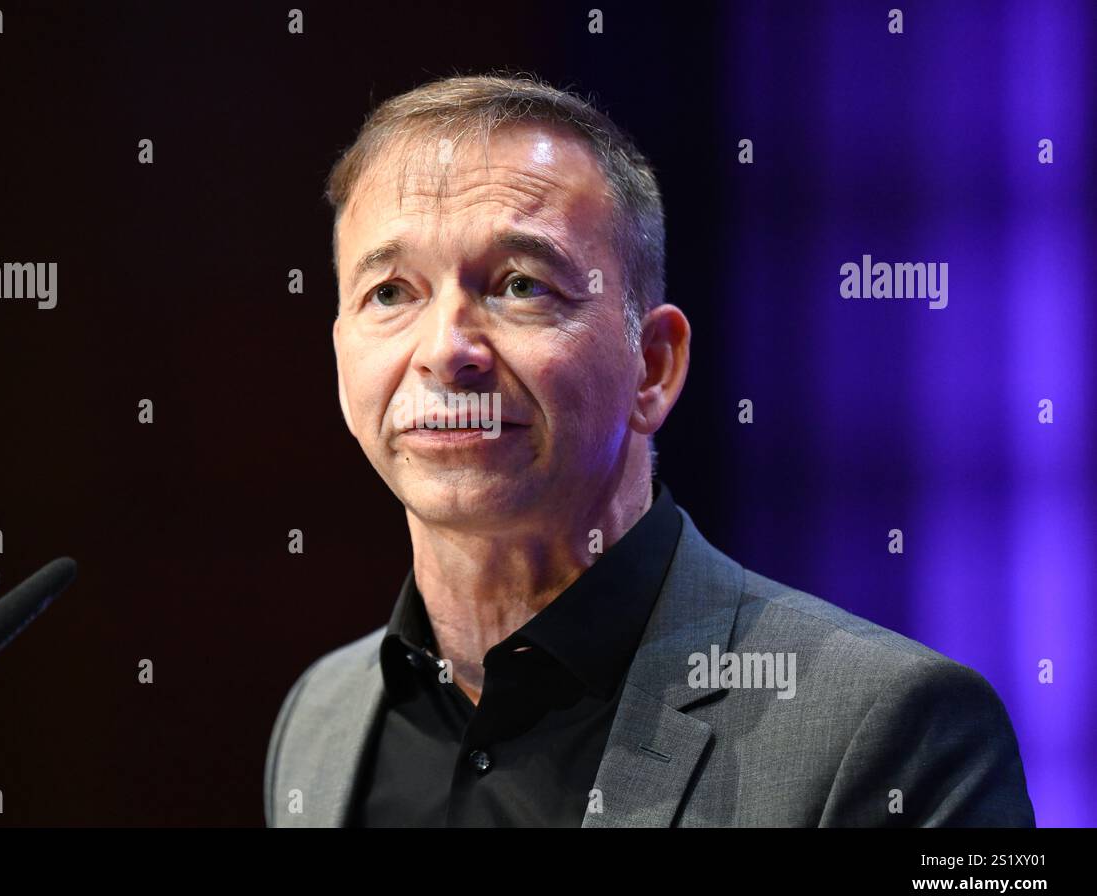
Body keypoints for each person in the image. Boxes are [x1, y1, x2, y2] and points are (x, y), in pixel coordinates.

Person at [264, 73, 1035, 827]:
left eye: (521, 285)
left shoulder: (893, 728)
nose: (446, 349)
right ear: (340, 356)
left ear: (654, 365)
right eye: (391, 292)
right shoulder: (322, 720)